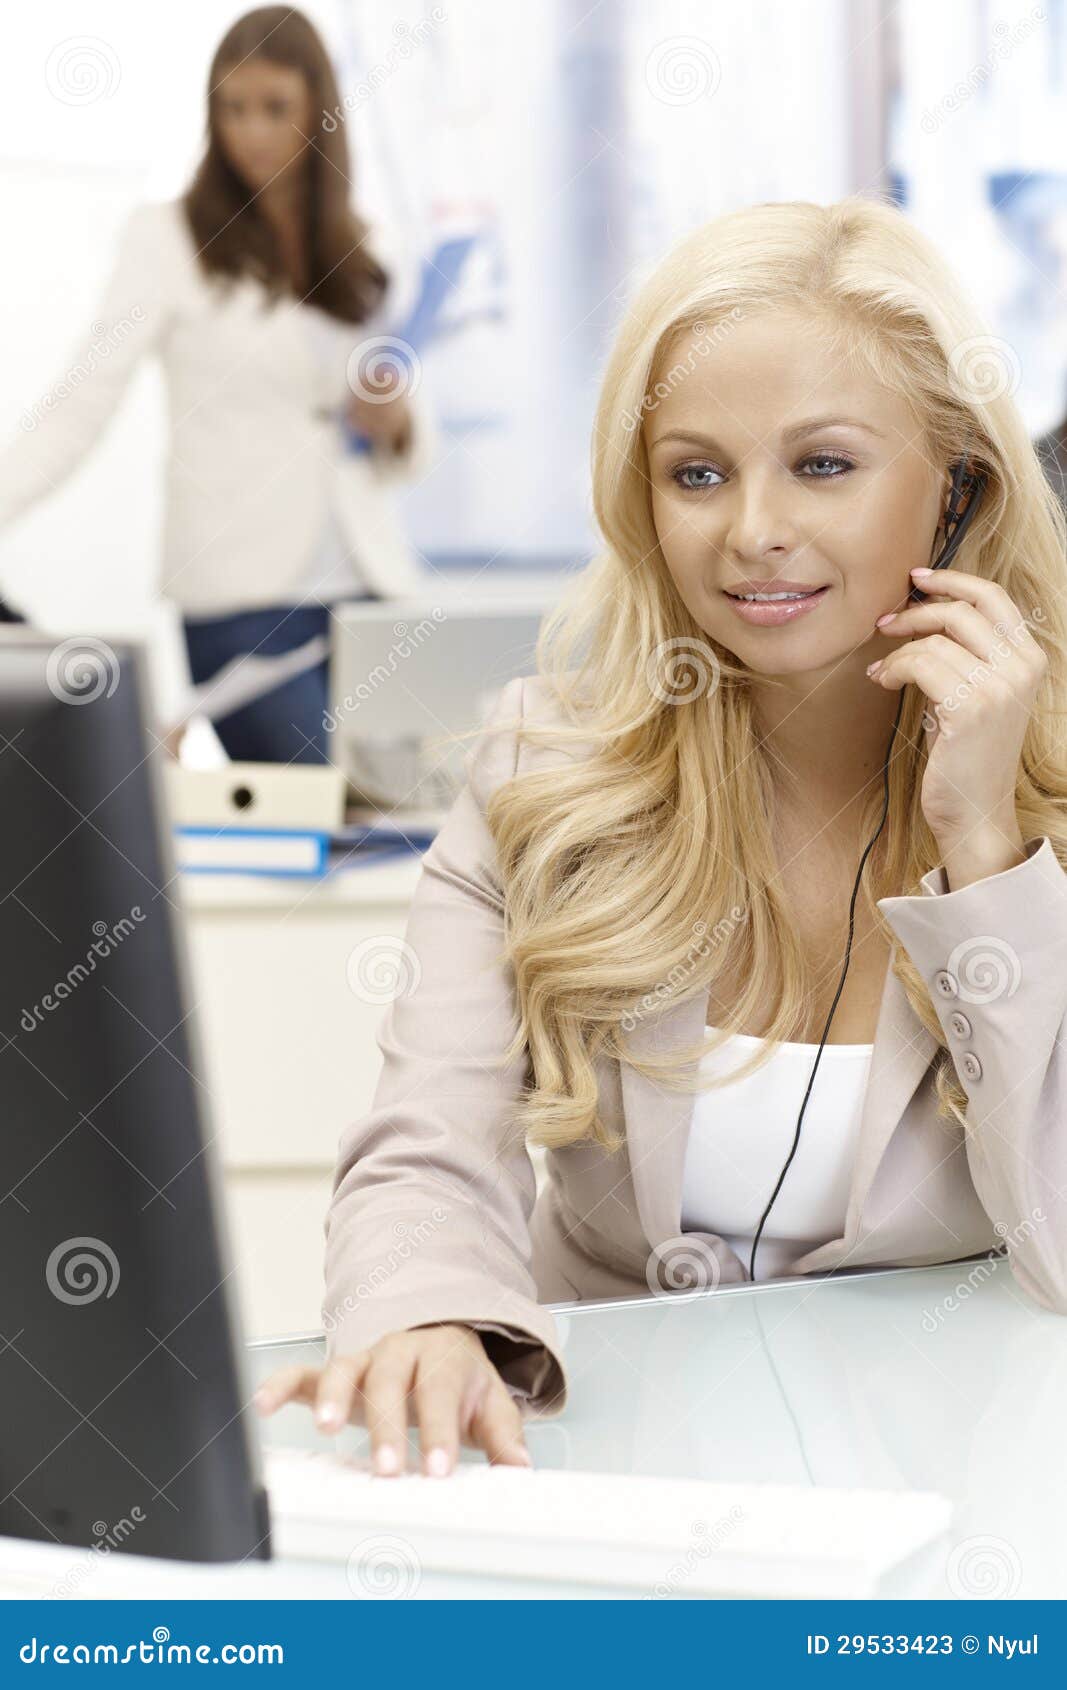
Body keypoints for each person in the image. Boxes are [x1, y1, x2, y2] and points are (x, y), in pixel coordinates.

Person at [257, 194, 1067, 1476]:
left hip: (956, 1499)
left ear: (955, 490)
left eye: (822, 464)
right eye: (697, 471)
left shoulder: (1039, 818)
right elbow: (428, 1144)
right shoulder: (543, 772)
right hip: (610, 1483)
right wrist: (425, 1315)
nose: (750, 530)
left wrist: (980, 846)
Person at [0, 6, 435, 763]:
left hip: (366, 588)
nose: (253, 132)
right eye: (232, 109)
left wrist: (393, 421)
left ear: (319, 113)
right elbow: (78, 406)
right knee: (305, 805)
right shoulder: (166, 239)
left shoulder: (363, 247)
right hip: (242, 600)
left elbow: (407, 435)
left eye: (275, 109)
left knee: (397, 826)